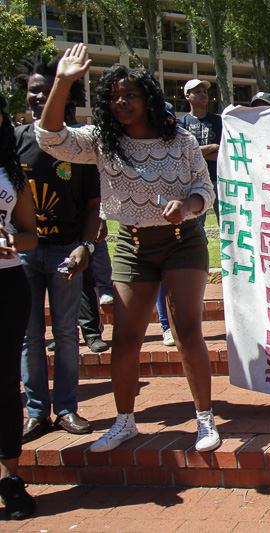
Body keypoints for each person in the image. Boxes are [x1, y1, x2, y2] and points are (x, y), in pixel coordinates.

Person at [36, 44, 220, 453]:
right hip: (132, 246)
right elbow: (50, 138)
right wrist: (64, 81)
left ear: (149, 99)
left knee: (188, 329)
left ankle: (204, 420)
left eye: (130, 95)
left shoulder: (182, 140)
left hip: (182, 243)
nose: (121, 101)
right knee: (126, 339)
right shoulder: (102, 142)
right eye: (114, 96)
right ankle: (125, 422)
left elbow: (203, 190)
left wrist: (187, 206)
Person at [14, 54, 103, 443]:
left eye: (47, 90)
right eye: (34, 90)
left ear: (66, 94)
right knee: (29, 336)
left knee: (66, 333)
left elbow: (91, 205)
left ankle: (66, 408)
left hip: (66, 250)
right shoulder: (13, 142)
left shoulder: (79, 144)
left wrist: (85, 245)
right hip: (22, 254)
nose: (39, 97)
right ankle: (36, 412)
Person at [0, 94, 39, 521]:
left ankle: (11, 478)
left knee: (6, 383)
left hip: (8, 283)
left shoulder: (13, 171)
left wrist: (14, 241)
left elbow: (29, 234)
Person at [178, 79, 221, 224]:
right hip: (192, 183)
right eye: (197, 92)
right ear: (187, 96)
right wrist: (213, 147)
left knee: (226, 223)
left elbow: (224, 154)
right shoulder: (180, 123)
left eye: (204, 91)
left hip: (217, 180)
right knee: (195, 226)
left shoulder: (219, 121)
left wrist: (196, 152)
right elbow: (182, 154)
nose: (203, 94)